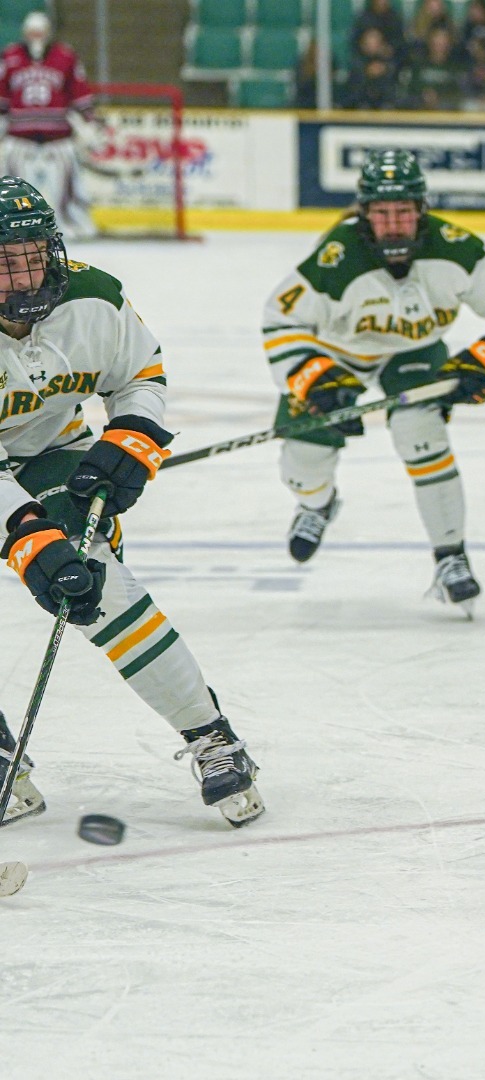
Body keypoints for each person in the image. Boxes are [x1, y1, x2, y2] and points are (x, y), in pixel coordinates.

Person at [0, 177, 264, 829]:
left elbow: (140, 372)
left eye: (32, 256)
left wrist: (131, 436)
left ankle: (211, 735)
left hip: (48, 448)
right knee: (47, 554)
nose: (24, 277)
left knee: (93, 579)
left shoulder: (93, 296)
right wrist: (26, 532)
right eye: (4, 262)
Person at [259, 150, 485, 616]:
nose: (393, 224)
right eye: (382, 212)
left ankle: (451, 557)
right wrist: (316, 379)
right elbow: (281, 318)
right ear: (364, 212)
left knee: (420, 433)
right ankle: (317, 504)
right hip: (337, 354)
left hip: (414, 351)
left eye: (404, 211)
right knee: (303, 461)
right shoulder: (336, 257)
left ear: (422, 209)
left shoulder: (454, 247)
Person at [0, 13, 99, 240]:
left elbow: (79, 91)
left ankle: (69, 225)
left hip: (58, 139)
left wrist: (89, 119)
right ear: (25, 33)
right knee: (15, 190)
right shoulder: (10, 56)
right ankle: (14, 228)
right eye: (32, 32)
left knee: (65, 189)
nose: (36, 37)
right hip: (20, 138)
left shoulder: (65, 56)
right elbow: (2, 94)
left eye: (40, 32)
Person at [405, 25, 464, 111]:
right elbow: (410, 90)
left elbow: (459, 94)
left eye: (443, 39)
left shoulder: (456, 68)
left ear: (449, 43)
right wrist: (423, 96)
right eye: (437, 39)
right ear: (430, 41)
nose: (440, 43)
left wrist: (440, 98)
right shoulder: (418, 66)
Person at [347, 26, 403, 111]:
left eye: (377, 42)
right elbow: (353, 93)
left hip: (386, 107)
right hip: (360, 106)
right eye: (369, 43)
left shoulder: (390, 64)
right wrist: (366, 72)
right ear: (363, 45)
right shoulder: (357, 64)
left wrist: (386, 69)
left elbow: (394, 91)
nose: (373, 46)